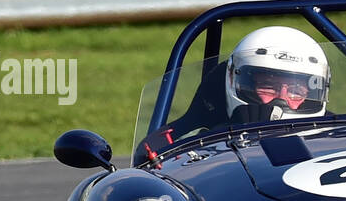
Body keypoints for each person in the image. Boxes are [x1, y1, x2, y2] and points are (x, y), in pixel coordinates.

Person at [134, 26, 330, 164]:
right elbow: (149, 156)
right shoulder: (199, 142)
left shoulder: (337, 137)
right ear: (232, 79)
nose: (281, 99)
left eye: (296, 91)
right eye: (268, 86)